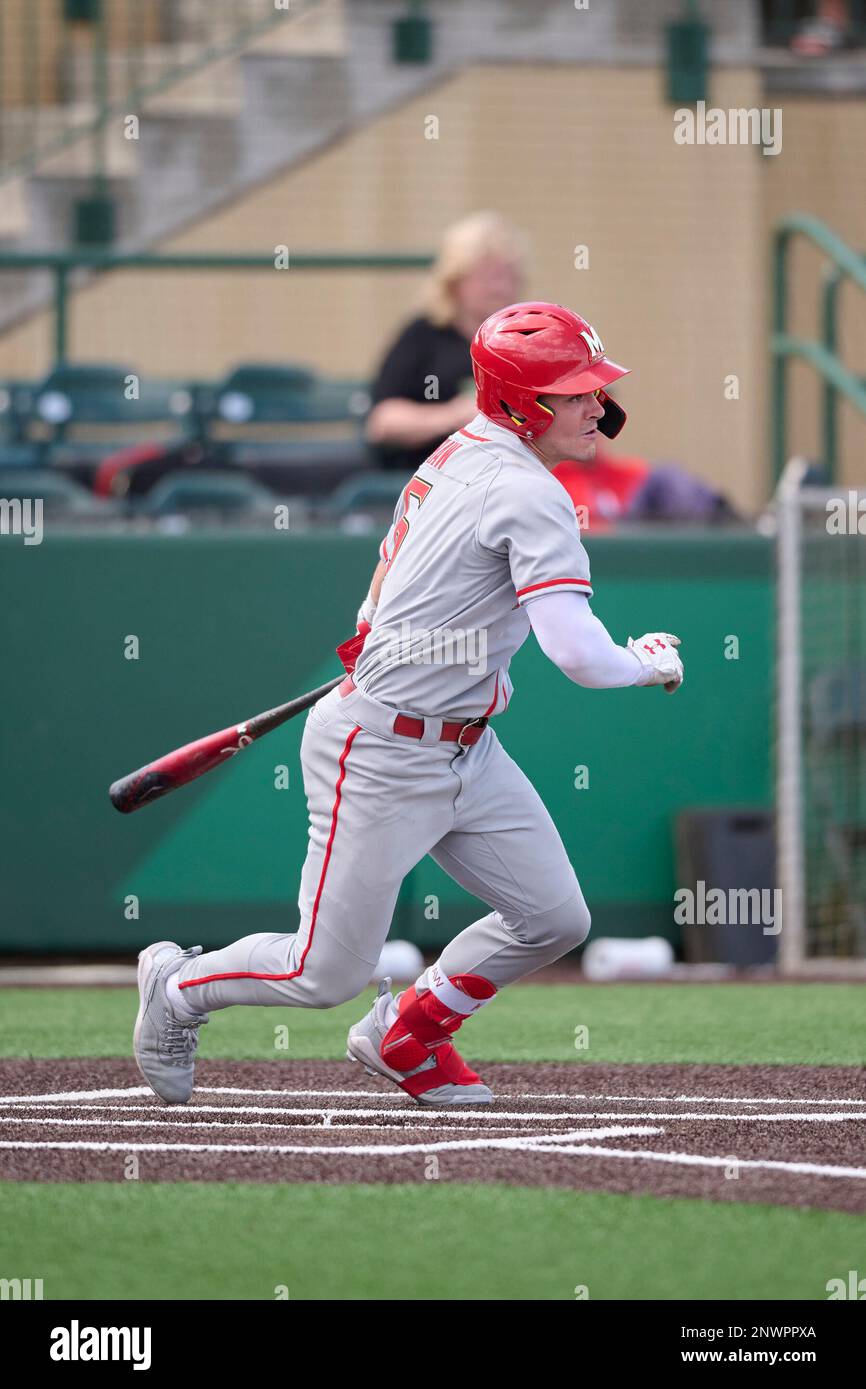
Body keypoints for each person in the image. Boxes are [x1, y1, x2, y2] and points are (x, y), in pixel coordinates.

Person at [133, 301, 684, 1110]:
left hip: (463, 743)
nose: (597, 405)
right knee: (324, 974)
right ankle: (176, 986)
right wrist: (647, 662)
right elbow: (580, 657)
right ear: (523, 404)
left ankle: (407, 1034)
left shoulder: (464, 451)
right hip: (383, 748)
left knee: (553, 918)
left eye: (594, 388)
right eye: (574, 392)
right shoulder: (527, 492)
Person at [364, 211, 526, 475]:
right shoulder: (424, 335)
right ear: (455, 282)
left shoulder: (523, 339)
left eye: (508, 276)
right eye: (488, 277)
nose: (501, 289)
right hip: (424, 476)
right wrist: (458, 416)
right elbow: (383, 422)